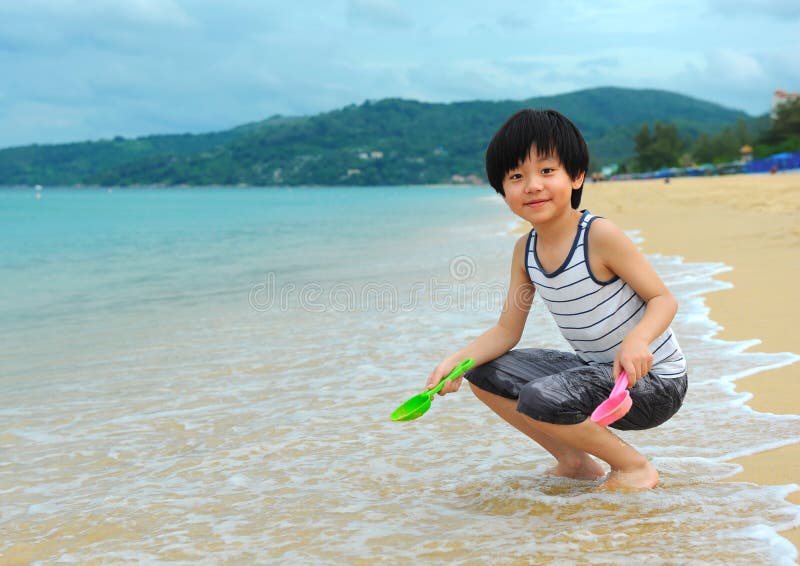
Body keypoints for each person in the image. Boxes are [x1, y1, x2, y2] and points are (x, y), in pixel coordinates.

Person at [425, 109, 687, 490]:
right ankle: (575, 461)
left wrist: (637, 339)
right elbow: (506, 330)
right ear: (502, 189)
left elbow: (663, 298)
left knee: (541, 397)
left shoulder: (598, 235)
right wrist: (455, 362)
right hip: (595, 373)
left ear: (576, 176)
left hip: (653, 382)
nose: (532, 186)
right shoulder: (525, 251)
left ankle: (633, 467)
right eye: (516, 176)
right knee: (482, 373)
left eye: (547, 171)